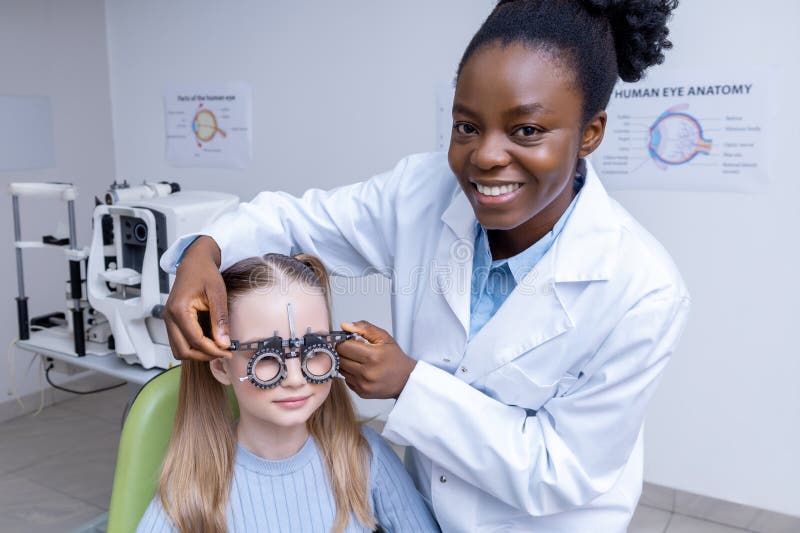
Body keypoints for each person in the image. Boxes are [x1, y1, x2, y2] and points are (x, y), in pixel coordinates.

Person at [160, 1, 690, 531]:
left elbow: (558, 469)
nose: (485, 156)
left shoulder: (642, 289)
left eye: (526, 130)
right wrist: (204, 249)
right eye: (466, 126)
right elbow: (296, 221)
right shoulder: (420, 190)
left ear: (591, 133)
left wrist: (409, 383)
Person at [137, 253, 439, 533]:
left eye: (313, 350)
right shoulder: (195, 487)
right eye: (267, 358)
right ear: (220, 366)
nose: (295, 378)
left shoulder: (364, 458)